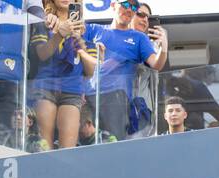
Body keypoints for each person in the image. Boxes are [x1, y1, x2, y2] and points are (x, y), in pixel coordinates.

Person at [86, 0, 166, 141]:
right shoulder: (94, 30)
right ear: (112, 5)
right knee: (87, 144)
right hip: (89, 97)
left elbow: (156, 64)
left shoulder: (139, 37)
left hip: (117, 101)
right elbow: (70, 38)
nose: (129, 9)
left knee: (114, 146)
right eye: (125, 4)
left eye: (134, 7)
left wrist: (163, 47)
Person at [29, 0, 101, 150]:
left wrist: (80, 43)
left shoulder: (87, 29)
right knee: (44, 147)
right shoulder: (46, 22)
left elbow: (90, 71)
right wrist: (60, 34)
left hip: (72, 91)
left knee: (67, 150)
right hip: (45, 87)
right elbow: (42, 54)